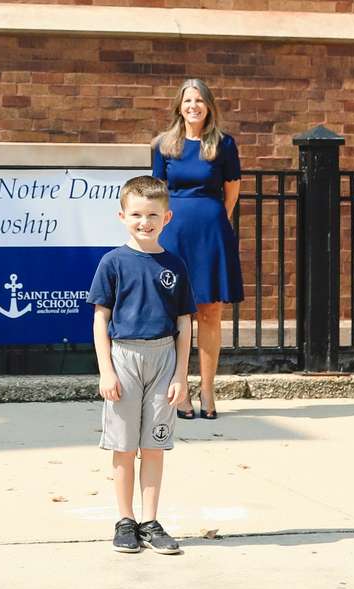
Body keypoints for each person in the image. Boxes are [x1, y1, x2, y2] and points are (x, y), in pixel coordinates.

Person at [88, 176, 193, 555]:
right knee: (123, 445)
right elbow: (101, 317)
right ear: (122, 216)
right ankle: (125, 520)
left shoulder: (174, 265)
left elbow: (184, 322)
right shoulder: (112, 262)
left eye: (152, 214)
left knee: (153, 445)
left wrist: (181, 374)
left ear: (167, 216)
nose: (144, 221)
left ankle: (150, 520)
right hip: (123, 357)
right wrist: (106, 369)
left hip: (163, 358)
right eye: (136, 214)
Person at [149, 78, 239, 419]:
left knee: (210, 313)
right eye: (188, 100)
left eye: (200, 100)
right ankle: (180, 389)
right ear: (179, 106)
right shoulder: (163, 145)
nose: (194, 106)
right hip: (174, 235)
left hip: (211, 233)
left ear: (209, 106)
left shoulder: (224, 144)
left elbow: (232, 191)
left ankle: (208, 390)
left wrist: (216, 219)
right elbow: (157, 192)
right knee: (178, 314)